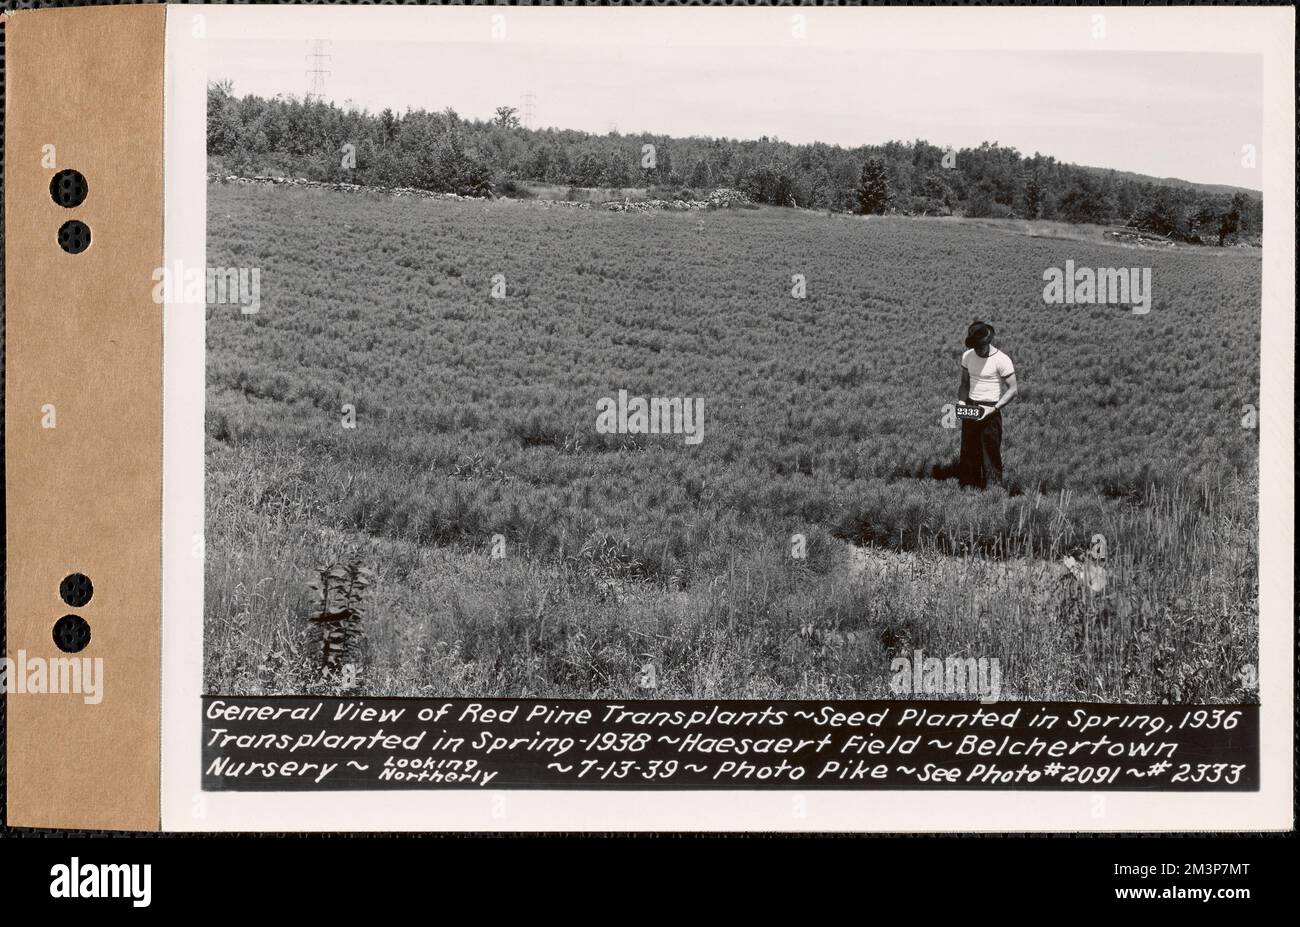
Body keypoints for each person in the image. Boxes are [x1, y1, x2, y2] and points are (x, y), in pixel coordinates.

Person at [957, 321, 1017, 489]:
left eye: (981, 346)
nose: (978, 349)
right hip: (971, 406)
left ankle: (993, 494)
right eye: (975, 346)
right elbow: (964, 384)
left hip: (991, 409)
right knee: (969, 453)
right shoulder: (967, 356)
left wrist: (994, 408)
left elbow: (1013, 390)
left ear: (988, 341)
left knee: (990, 454)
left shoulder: (1002, 360)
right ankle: (970, 491)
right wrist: (962, 402)